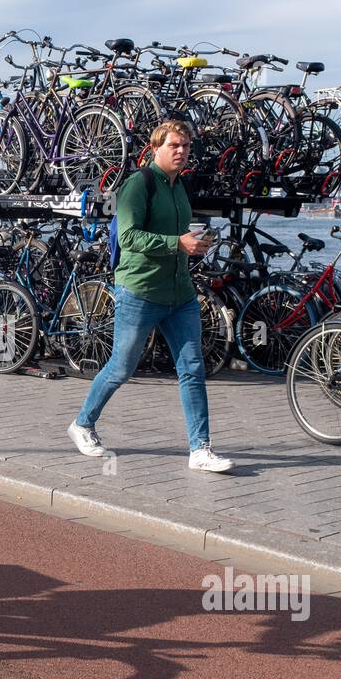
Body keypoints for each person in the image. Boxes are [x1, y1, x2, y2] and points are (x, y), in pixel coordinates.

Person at [67, 120, 235, 473]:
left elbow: (178, 235)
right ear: (155, 147)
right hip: (140, 291)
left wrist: (196, 244)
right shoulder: (137, 184)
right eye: (174, 145)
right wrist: (177, 243)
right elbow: (129, 237)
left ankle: (200, 450)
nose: (181, 152)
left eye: (186, 146)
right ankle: (83, 424)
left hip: (180, 293)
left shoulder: (179, 186)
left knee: (192, 367)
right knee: (121, 368)